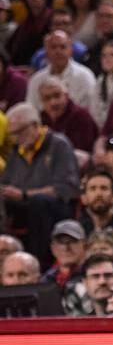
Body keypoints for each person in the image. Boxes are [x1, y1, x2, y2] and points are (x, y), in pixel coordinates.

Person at [0, 101, 80, 266]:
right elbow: (6, 182)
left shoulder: (58, 145)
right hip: (21, 207)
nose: (15, 140)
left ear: (35, 125)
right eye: (12, 135)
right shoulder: (17, 151)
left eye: (19, 133)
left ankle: (40, 262)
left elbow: (65, 189)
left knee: (39, 203)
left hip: (56, 208)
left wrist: (24, 195)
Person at [78, 167, 113, 237]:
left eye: (104, 188)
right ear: (84, 198)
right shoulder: (79, 229)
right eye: (92, 188)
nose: (98, 194)